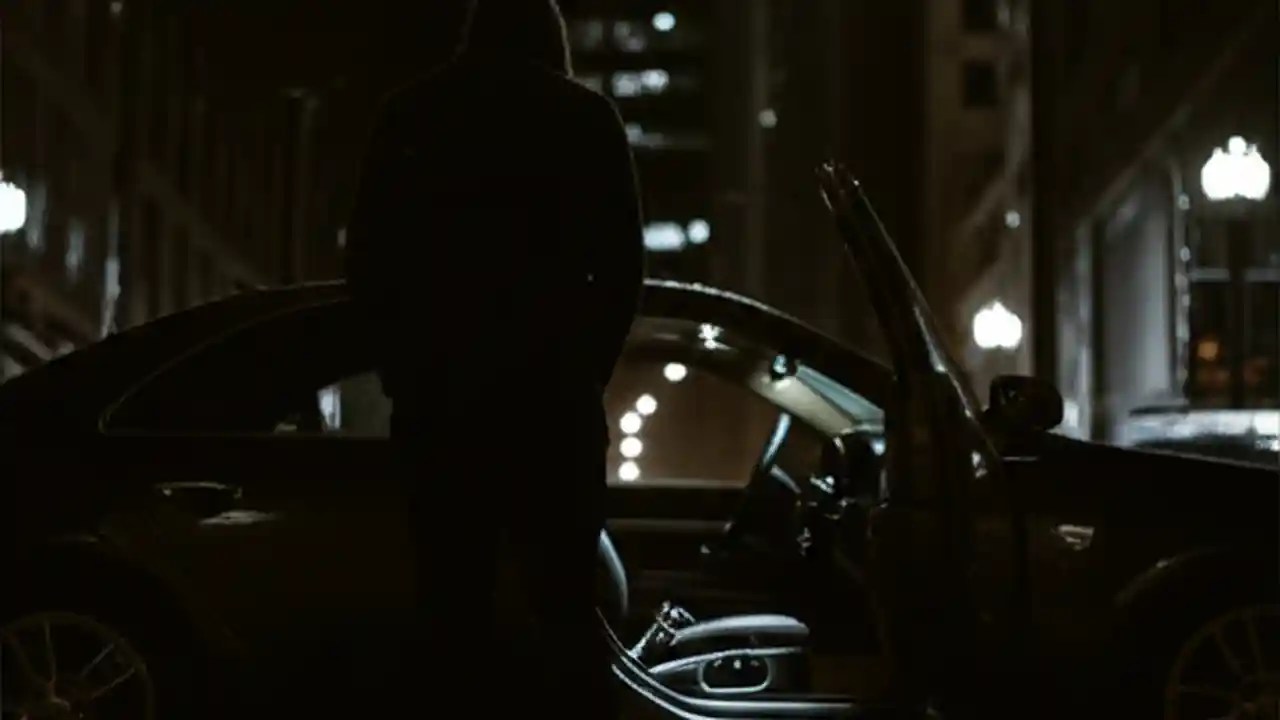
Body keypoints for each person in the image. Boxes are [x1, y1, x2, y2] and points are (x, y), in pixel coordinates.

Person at [344, 0, 644, 714]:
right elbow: (623, 269)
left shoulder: (412, 114)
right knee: (567, 613)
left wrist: (405, 368)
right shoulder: (587, 118)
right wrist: (583, 370)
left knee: (451, 611)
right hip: (552, 406)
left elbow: (368, 260)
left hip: (442, 404)